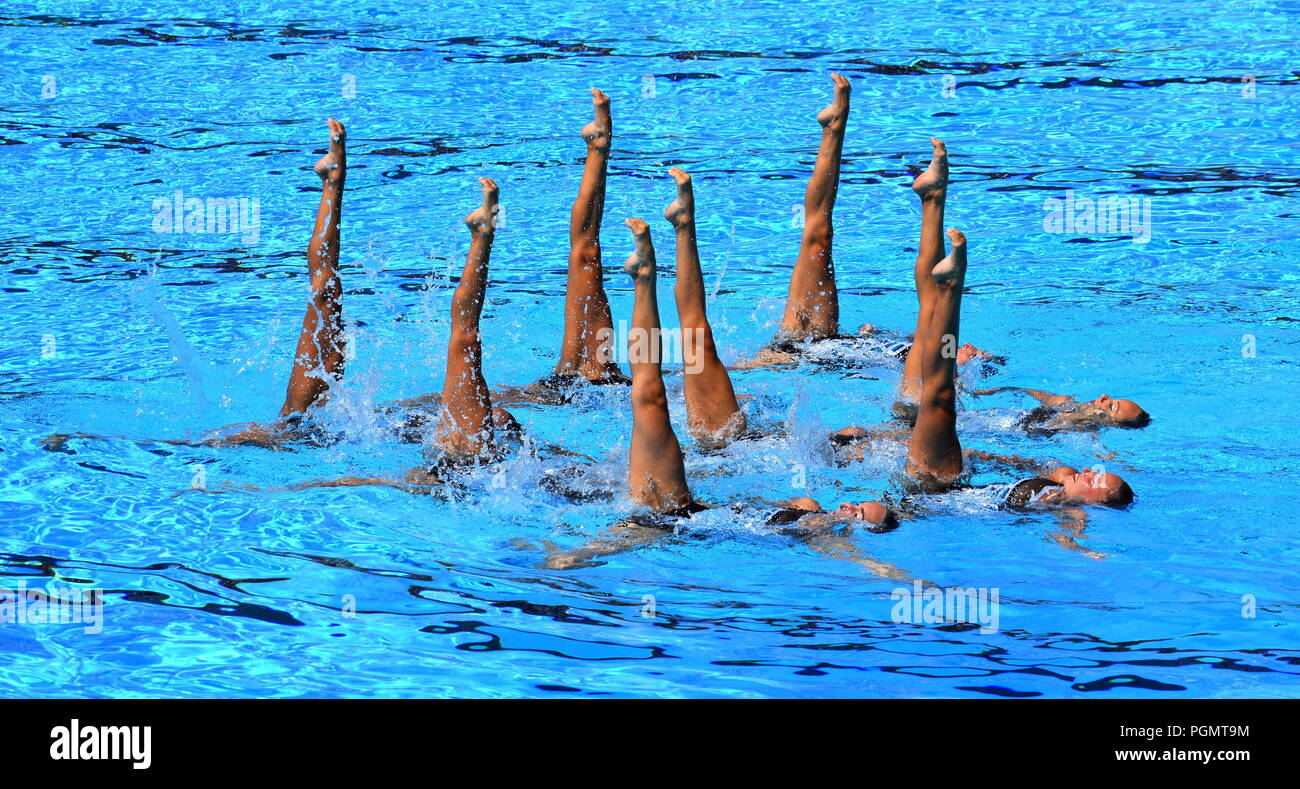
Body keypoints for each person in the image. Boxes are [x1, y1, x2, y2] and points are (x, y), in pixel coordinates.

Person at [661, 166, 747, 448]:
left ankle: (645, 280)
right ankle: (683, 226)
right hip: (729, 445)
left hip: (711, 451)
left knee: (649, 389)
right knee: (695, 337)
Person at [970, 387, 1150, 433]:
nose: (1104, 396)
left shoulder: (1085, 433)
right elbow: (1024, 391)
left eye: (1111, 406)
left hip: (1005, 435)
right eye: (1111, 398)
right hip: (995, 419)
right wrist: (990, 391)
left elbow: (1105, 455)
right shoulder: (1065, 401)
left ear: (1112, 424)